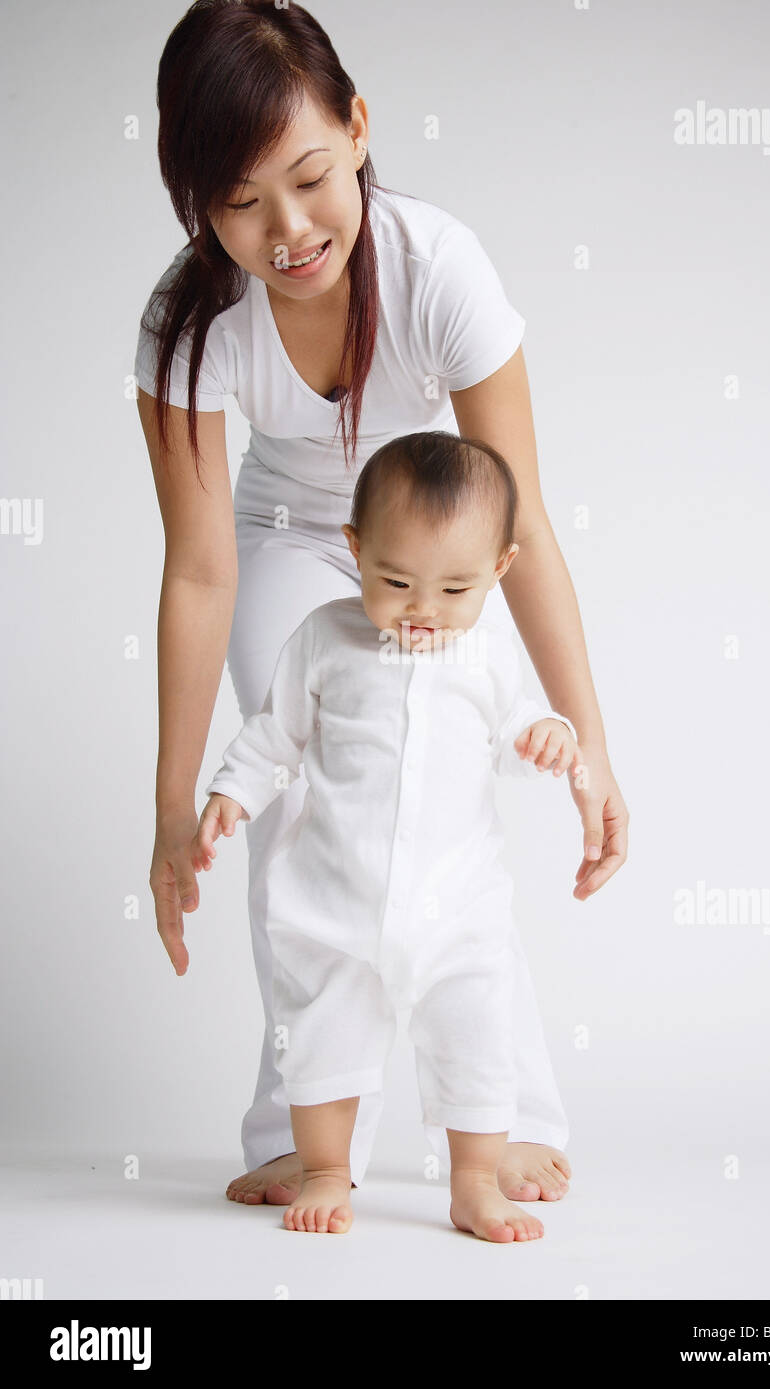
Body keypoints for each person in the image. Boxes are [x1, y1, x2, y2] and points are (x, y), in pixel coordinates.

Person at [134, 0, 629, 1208]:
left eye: (308, 178)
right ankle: (301, 1133)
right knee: (302, 788)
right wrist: (172, 807)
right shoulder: (190, 324)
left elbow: (521, 521)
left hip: (428, 542)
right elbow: (199, 569)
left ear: (359, 130)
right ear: (199, 204)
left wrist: (592, 746)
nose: (287, 230)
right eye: (240, 202)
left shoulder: (438, 268)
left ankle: (502, 1117)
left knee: (452, 775)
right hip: (287, 540)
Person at [193, 433, 580, 1240]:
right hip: (335, 903)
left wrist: (546, 735)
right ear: (355, 548)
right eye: (396, 580)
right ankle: (327, 1171)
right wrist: (232, 792)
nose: (421, 609)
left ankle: (475, 1180)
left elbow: (518, 728)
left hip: (457, 911)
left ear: (499, 570)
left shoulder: (487, 653)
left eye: (454, 587)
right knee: (324, 1045)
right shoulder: (324, 639)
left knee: (476, 1041)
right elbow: (275, 736)